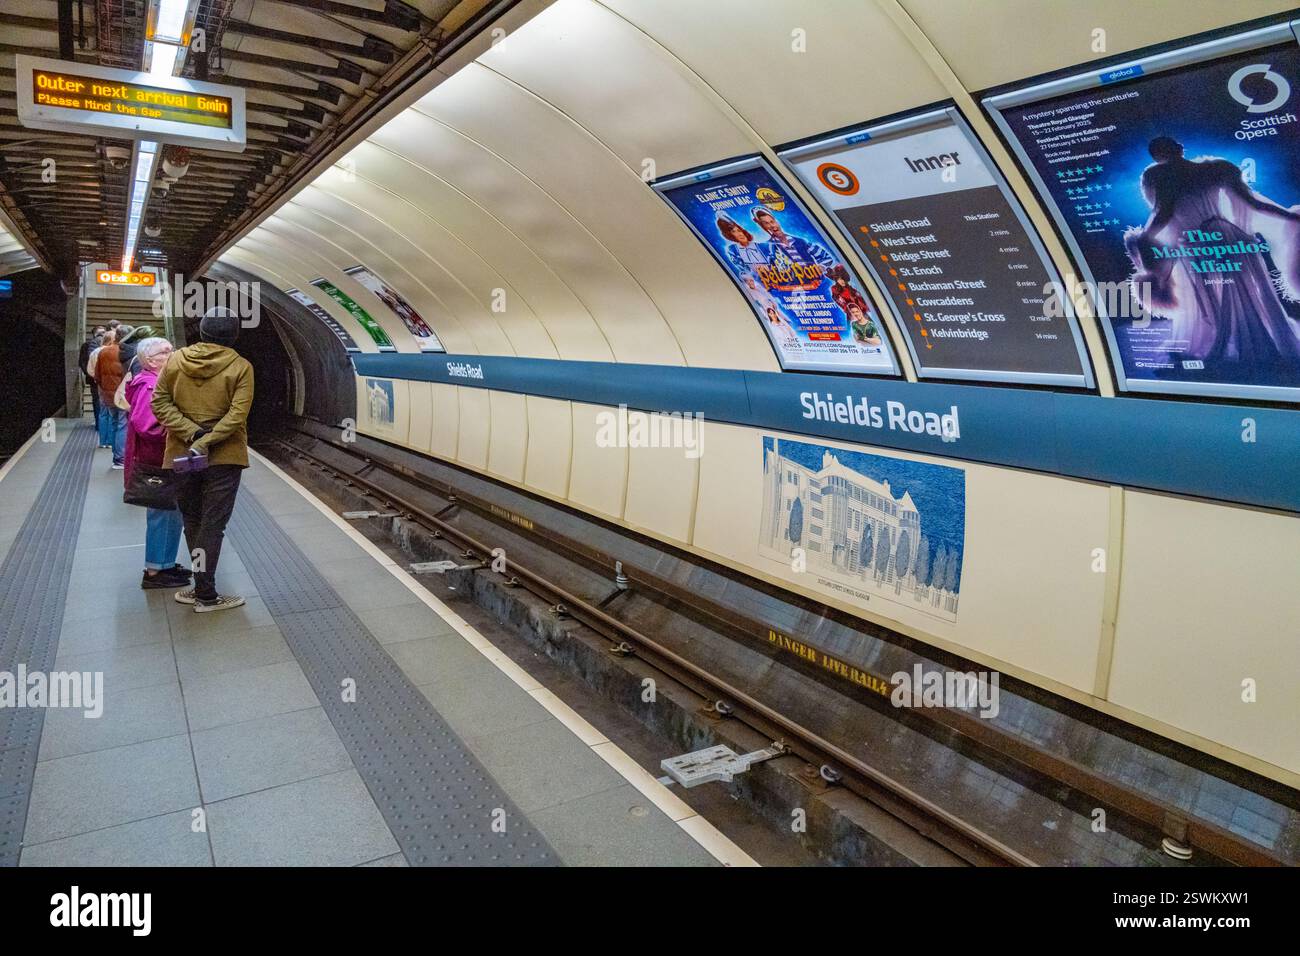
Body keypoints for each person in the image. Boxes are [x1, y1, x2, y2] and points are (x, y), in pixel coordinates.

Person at [1125, 135, 1300, 364]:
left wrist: (1145, 237)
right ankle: (1257, 341)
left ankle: (1224, 340)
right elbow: (1254, 204)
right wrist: (1289, 216)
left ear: (1157, 156)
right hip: (1230, 236)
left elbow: (1163, 212)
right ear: (1179, 147)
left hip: (1196, 241)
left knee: (1208, 295)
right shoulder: (1218, 168)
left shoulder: (1158, 175)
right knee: (1247, 291)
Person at [152, 307, 254, 613]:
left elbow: (159, 401)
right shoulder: (241, 367)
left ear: (203, 332)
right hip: (224, 458)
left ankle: (201, 586)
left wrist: (191, 433)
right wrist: (206, 440)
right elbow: (238, 415)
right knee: (213, 525)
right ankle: (206, 595)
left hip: (181, 455)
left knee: (192, 521)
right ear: (233, 336)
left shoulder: (174, 360)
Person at [124, 337, 191, 590]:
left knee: (171, 513)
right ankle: (154, 571)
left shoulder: (156, 381)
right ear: (149, 360)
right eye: (165, 352)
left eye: (171, 349)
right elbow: (146, 425)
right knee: (162, 514)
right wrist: (179, 425)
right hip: (156, 462)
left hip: (164, 460)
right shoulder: (148, 385)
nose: (172, 353)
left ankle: (165, 563)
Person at [93, 329, 128, 468]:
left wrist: (105, 389)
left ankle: (116, 455)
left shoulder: (103, 352)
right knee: (122, 424)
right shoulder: (125, 352)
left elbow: (97, 376)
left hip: (108, 394)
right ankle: (120, 457)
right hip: (123, 395)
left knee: (114, 423)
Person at [80, 328, 108, 447]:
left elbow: (83, 363)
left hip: (96, 379)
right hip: (96, 380)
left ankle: (100, 425)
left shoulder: (90, 347)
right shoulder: (87, 346)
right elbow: (82, 362)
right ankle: (99, 424)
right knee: (98, 402)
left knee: (98, 402)